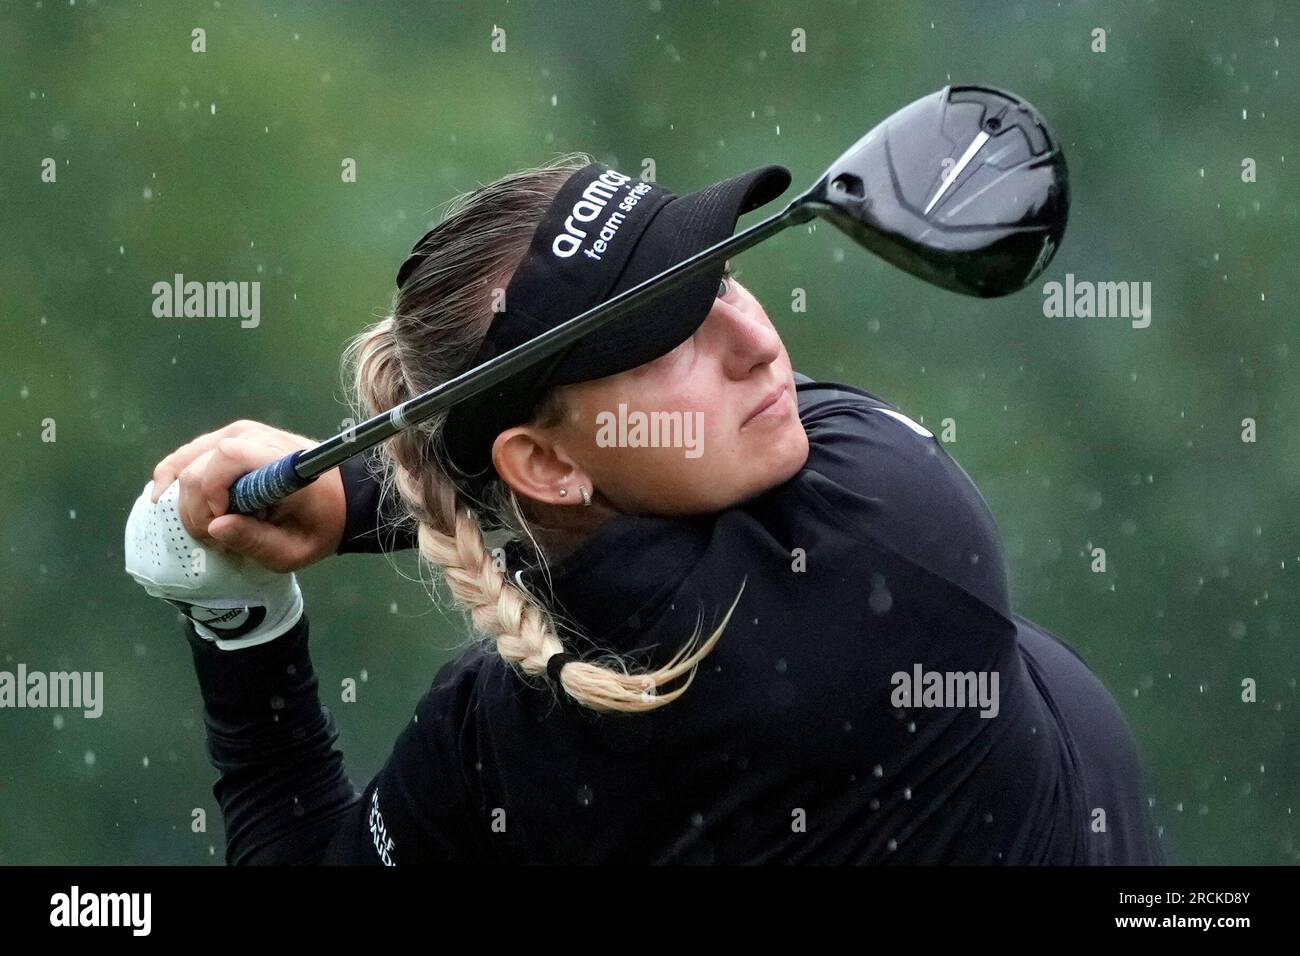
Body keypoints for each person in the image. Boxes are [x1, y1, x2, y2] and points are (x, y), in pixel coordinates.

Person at [125, 153, 1166, 865]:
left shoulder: (496, 743)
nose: (754, 343)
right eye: (669, 339)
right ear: (542, 461)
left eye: (718, 277)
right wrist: (356, 499)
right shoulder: (888, 523)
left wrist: (241, 624)